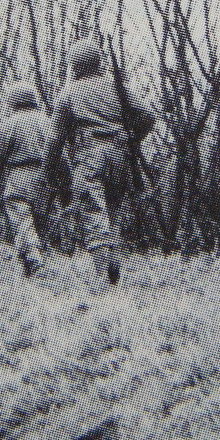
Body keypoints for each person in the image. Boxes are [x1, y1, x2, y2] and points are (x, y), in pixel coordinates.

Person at [45, 37, 156, 286]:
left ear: (75, 65)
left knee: (92, 210)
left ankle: (104, 274)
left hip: (89, 154)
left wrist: (49, 169)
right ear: (98, 62)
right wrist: (132, 137)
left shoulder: (68, 93)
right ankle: (113, 259)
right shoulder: (118, 87)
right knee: (112, 210)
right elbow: (148, 115)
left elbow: (55, 139)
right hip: (120, 155)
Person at [0, 80, 49, 278]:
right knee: (38, 221)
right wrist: (64, 183)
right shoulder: (48, 121)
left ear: (12, 101)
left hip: (18, 176)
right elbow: (60, 154)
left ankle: (34, 259)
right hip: (44, 177)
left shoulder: (9, 124)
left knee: (22, 221)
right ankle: (32, 262)